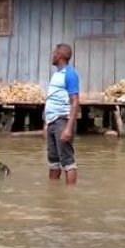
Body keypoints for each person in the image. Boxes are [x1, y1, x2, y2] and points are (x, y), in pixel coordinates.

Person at [44, 43, 80, 185]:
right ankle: (54, 192)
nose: (52, 56)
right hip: (52, 121)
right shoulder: (56, 75)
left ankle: (70, 195)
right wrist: (46, 123)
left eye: (54, 53)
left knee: (67, 160)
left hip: (62, 121)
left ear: (60, 55)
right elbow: (51, 99)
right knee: (53, 161)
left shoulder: (70, 74)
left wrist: (68, 127)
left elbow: (75, 101)